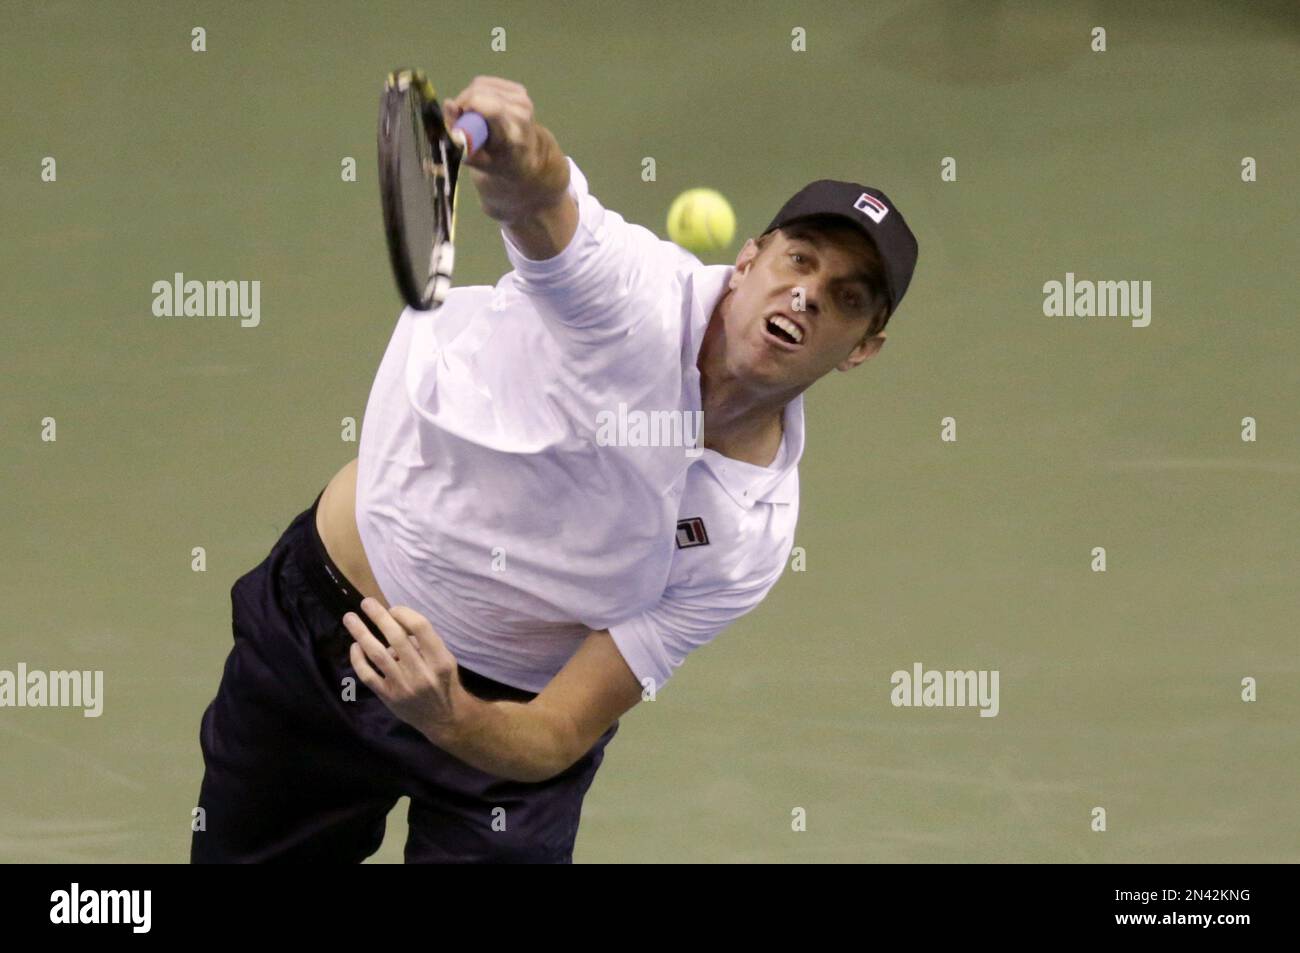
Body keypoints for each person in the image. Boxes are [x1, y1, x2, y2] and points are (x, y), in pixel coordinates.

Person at [190, 76, 919, 863]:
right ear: (746, 262)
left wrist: (449, 716)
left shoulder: (750, 534)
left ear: (863, 347)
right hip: (325, 637)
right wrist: (516, 150)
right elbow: (544, 203)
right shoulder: (631, 297)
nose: (807, 295)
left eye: (845, 298)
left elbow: (564, 727)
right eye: (798, 260)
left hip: (499, 734)